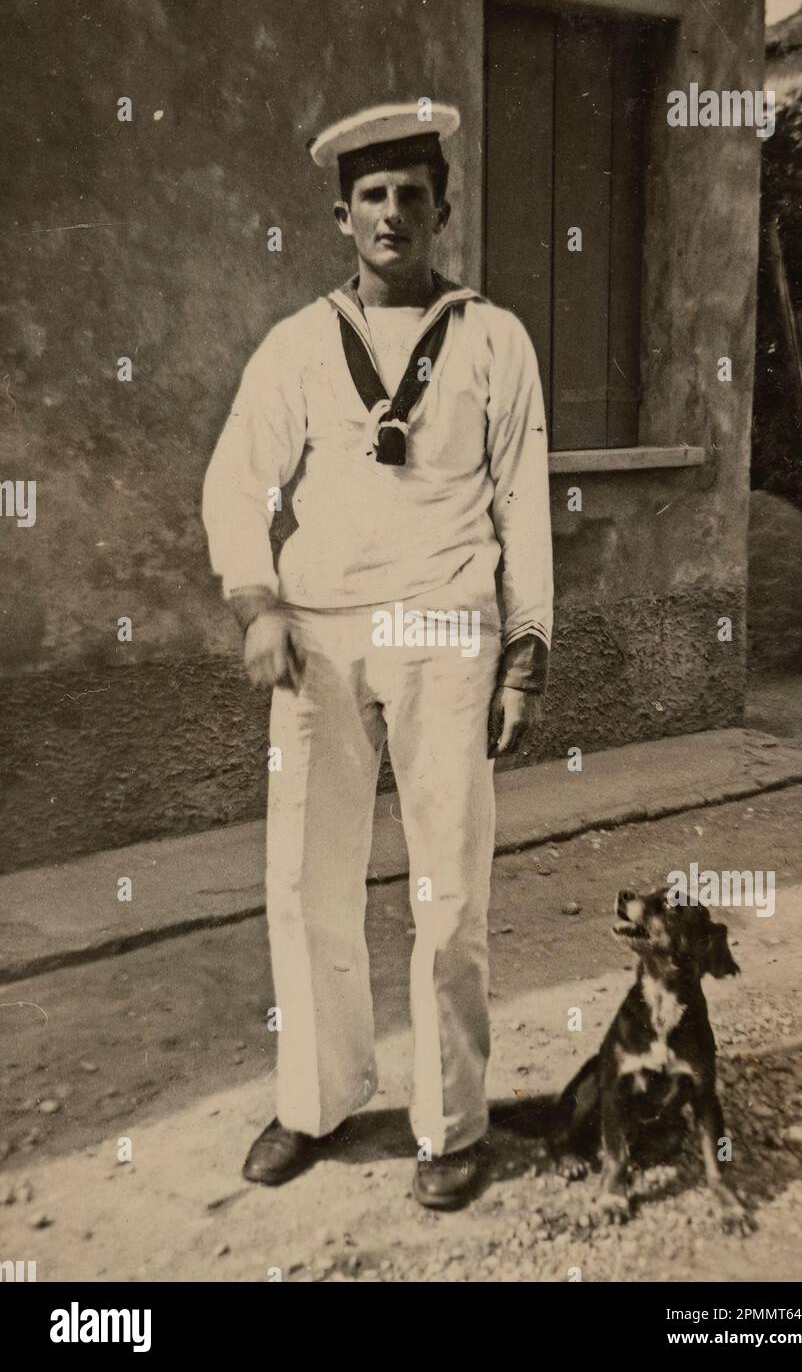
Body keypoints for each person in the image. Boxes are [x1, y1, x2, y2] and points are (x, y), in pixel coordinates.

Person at [202, 101, 553, 1209]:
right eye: (372, 196)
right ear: (340, 216)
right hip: (319, 636)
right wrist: (257, 601)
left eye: (413, 192)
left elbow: (525, 503)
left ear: (443, 207)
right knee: (307, 880)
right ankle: (316, 1098)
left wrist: (526, 649)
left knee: (448, 886)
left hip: (446, 630)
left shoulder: (495, 338)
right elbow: (236, 480)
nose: (393, 213)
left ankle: (452, 1125)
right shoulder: (298, 345)